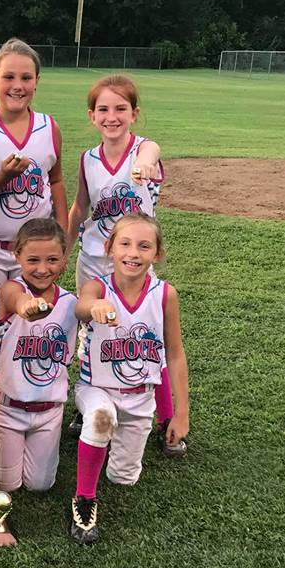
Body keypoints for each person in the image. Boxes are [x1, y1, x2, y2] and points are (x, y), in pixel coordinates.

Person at [64, 74, 185, 457]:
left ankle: (166, 417)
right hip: (95, 259)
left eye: (120, 109)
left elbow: (151, 150)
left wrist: (147, 164)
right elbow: (81, 207)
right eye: (103, 109)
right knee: (92, 334)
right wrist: (65, 248)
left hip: (132, 263)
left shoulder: (143, 150)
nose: (111, 116)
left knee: (148, 340)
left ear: (134, 113)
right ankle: (92, 407)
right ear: (91, 114)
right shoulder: (87, 159)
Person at [70, 213, 189, 545]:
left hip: (140, 397)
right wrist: (93, 307)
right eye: (124, 244)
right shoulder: (99, 286)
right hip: (96, 388)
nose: (133, 253)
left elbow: (176, 355)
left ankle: (103, 447)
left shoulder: (165, 295)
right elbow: (81, 305)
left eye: (144, 246)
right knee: (99, 419)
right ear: (110, 248)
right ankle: (84, 499)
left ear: (157, 254)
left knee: (123, 477)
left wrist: (180, 414)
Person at [0, 38, 68, 300]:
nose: (18, 86)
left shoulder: (49, 127)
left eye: (26, 78)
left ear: (37, 82)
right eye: (8, 77)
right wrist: (4, 176)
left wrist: (62, 240)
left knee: (31, 330)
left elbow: (55, 182)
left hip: (37, 252)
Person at [0, 218, 77, 493]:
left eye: (52, 259)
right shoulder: (10, 291)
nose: (42, 269)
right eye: (32, 260)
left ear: (64, 257)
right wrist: (27, 305)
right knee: (7, 485)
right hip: (8, 408)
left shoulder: (70, 302)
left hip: (49, 410)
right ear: (17, 256)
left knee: (40, 485)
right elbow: (16, 298)